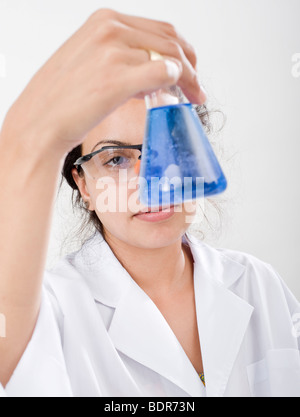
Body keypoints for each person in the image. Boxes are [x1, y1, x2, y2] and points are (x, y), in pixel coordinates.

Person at [0, 9, 299, 398]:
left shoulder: (259, 284)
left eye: (168, 143)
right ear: (83, 184)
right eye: (116, 159)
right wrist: (32, 128)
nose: (153, 180)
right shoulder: (49, 312)